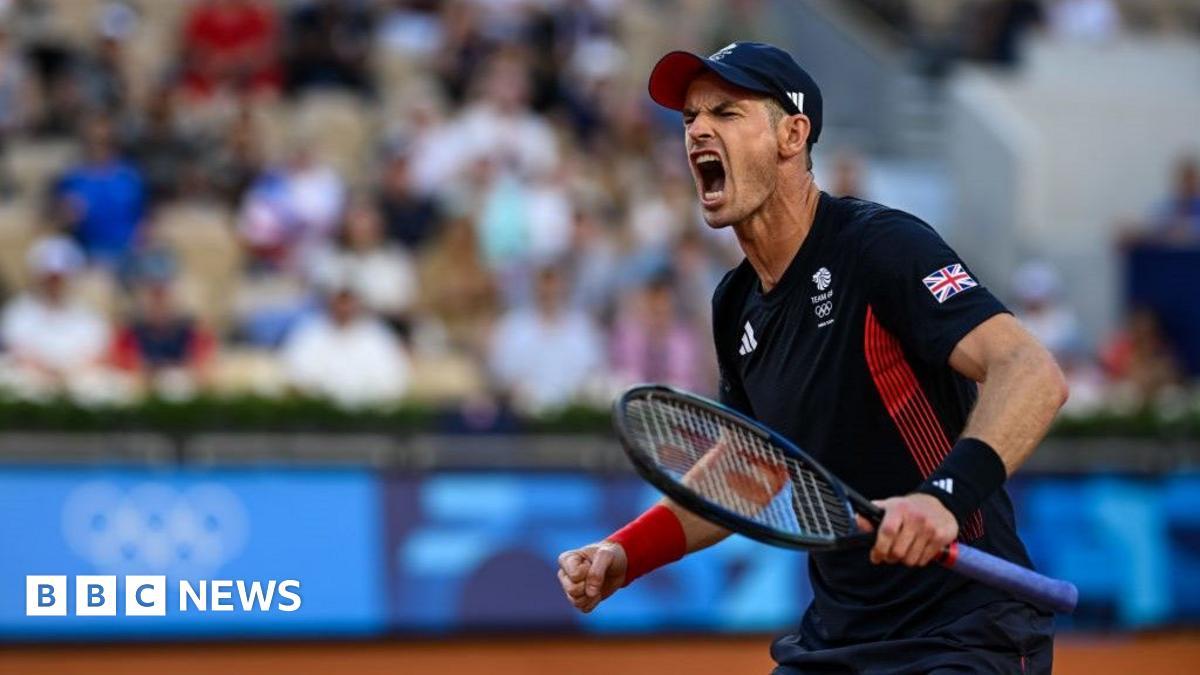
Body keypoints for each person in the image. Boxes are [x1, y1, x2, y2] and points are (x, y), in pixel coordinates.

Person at [556, 42, 1067, 673]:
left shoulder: (881, 246)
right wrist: (626, 552)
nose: (697, 132)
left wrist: (944, 498)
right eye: (689, 119)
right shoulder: (735, 303)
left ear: (792, 134)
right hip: (838, 641)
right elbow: (748, 470)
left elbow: (1031, 372)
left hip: (963, 631)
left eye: (726, 112)